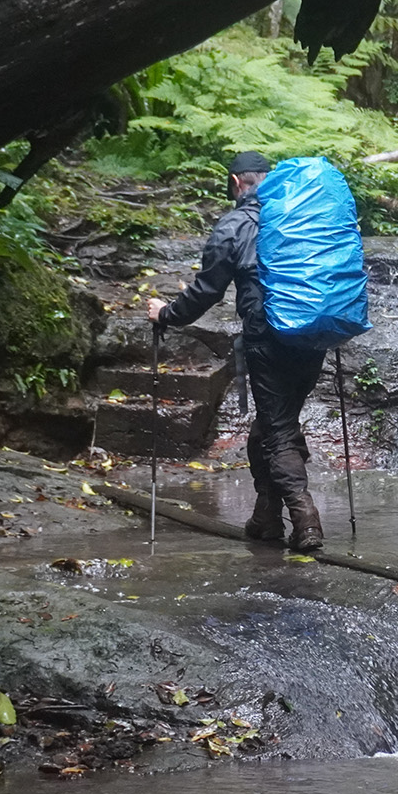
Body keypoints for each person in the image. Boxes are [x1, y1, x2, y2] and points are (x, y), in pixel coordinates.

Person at [148, 151, 327, 551]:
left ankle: (306, 519)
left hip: (268, 339)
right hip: (313, 338)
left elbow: (206, 291)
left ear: (235, 182)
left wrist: (166, 314)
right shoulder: (301, 217)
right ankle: (266, 517)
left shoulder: (236, 224)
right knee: (272, 424)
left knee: (277, 430)